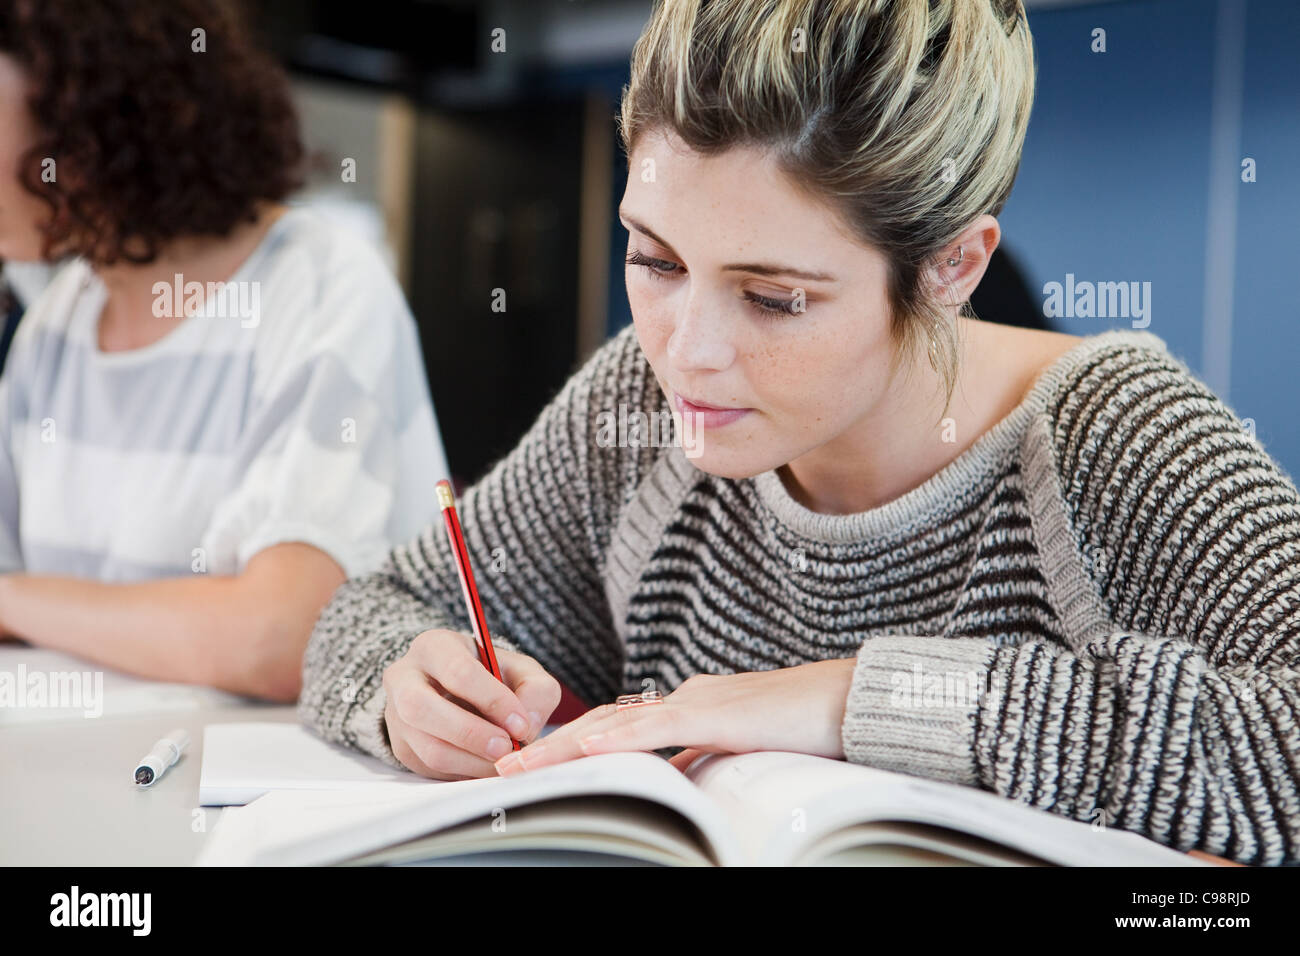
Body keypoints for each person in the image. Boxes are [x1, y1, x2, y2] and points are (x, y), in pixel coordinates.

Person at [298, 0, 1300, 865]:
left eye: (774, 298)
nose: (686, 353)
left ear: (952, 267)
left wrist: (848, 699)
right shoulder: (637, 414)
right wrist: (403, 682)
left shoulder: (1112, 437)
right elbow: (374, 608)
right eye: (653, 259)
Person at [0, 0, 450, 700]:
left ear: (87, 121)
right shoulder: (54, 323)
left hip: (261, 797)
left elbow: (282, 636)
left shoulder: (322, 286)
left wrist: (12, 600)